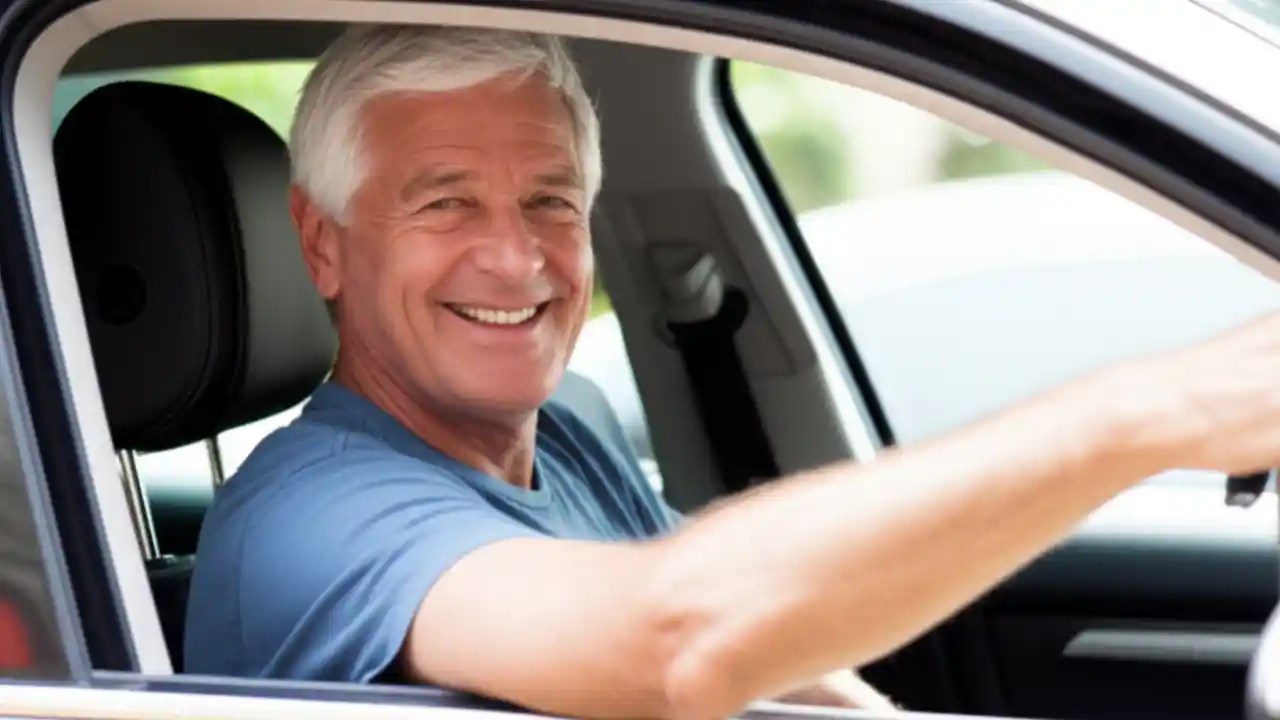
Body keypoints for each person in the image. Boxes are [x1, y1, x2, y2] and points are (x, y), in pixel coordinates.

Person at [185, 22, 1280, 719]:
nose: (515, 257)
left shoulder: (564, 425)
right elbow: (681, 639)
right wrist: (1158, 413)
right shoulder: (304, 521)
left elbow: (771, 653)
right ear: (321, 242)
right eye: (444, 203)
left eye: (550, 201)